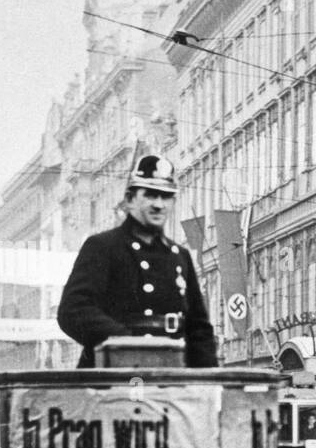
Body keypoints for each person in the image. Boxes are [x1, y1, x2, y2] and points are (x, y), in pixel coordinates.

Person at [57, 155, 218, 368]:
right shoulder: (103, 247)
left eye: (166, 196)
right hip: (114, 373)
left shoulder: (179, 256)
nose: (159, 204)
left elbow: (198, 328)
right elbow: (73, 310)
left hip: (172, 374)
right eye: (150, 195)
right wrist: (126, 343)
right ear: (130, 199)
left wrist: (209, 382)